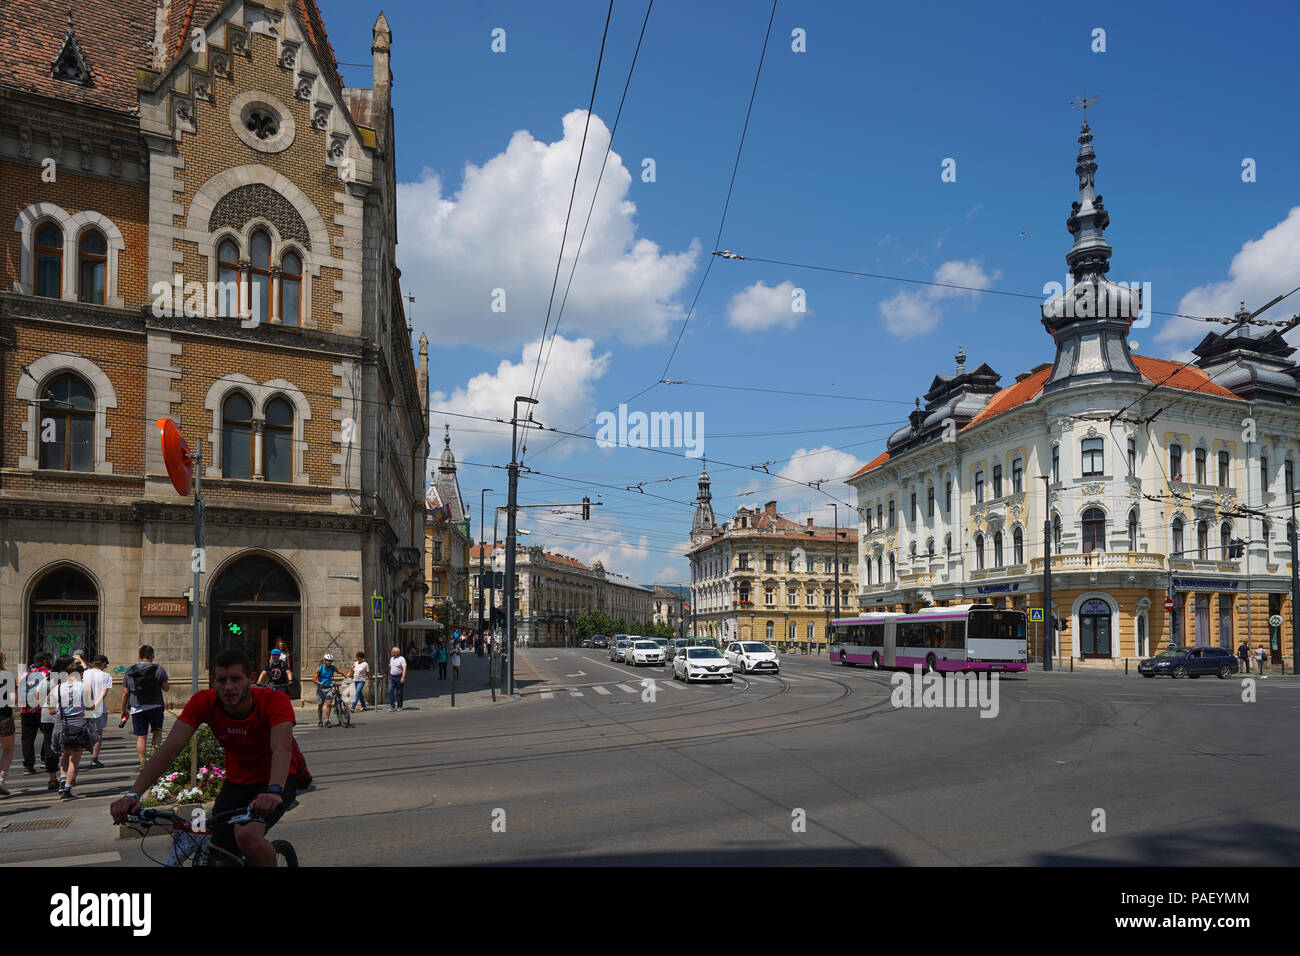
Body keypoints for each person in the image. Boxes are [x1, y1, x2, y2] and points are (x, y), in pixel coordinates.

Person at [110, 649, 312, 867]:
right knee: (220, 857)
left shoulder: (273, 700)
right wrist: (133, 794)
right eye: (221, 680)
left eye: (236, 679)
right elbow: (169, 749)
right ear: (213, 681)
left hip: (276, 780)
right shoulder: (205, 702)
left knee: (247, 835)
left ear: (252, 679)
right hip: (237, 781)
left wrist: (273, 791)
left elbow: (281, 748)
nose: (228, 687)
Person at [52, 660, 94, 800]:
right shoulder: (85, 687)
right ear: (80, 673)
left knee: (64, 755)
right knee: (74, 759)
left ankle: (62, 781)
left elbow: (51, 711)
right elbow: (91, 707)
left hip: (61, 725)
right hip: (78, 725)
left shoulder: (57, 688)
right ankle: (67, 790)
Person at [122, 645, 170, 765]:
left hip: (137, 707)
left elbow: (125, 693)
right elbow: (166, 688)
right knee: (157, 733)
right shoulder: (158, 669)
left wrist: (123, 708)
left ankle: (142, 762)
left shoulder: (130, 671)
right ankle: (155, 761)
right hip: (155, 706)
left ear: (139, 656)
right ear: (152, 656)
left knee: (141, 737)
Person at [18, 652, 52, 777]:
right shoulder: (47, 673)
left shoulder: (24, 674)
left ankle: (28, 766)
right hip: (42, 710)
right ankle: (46, 760)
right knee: (49, 735)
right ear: (44, 661)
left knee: (27, 739)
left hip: (26, 710)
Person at [82, 655, 113, 768]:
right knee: (98, 733)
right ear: (102, 663)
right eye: (106, 664)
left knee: (83, 733)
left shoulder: (84, 673)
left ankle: (75, 759)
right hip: (99, 708)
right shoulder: (106, 676)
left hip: (84, 707)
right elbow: (103, 694)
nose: (106, 666)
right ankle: (94, 759)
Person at [312, 654, 344, 727]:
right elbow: (313, 679)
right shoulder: (319, 668)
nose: (329, 662)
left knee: (329, 704)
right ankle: (320, 720)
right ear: (325, 661)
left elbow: (340, 672)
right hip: (321, 689)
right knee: (320, 705)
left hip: (329, 688)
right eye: (328, 661)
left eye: (330, 661)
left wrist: (346, 676)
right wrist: (321, 683)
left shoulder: (332, 668)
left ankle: (327, 720)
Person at [0, 649, 13, 796]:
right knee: (8, 750)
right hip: (3, 716)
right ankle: (1, 778)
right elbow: (13, 698)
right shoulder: (6, 676)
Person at [388, 646, 407, 712]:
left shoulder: (402, 659)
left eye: (392, 651)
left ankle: (399, 706)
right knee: (390, 691)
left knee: (399, 692)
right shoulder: (391, 658)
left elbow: (404, 668)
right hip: (392, 677)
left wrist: (403, 677)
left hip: (399, 677)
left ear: (396, 652)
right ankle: (392, 706)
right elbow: (390, 667)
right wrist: (389, 675)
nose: (391, 652)